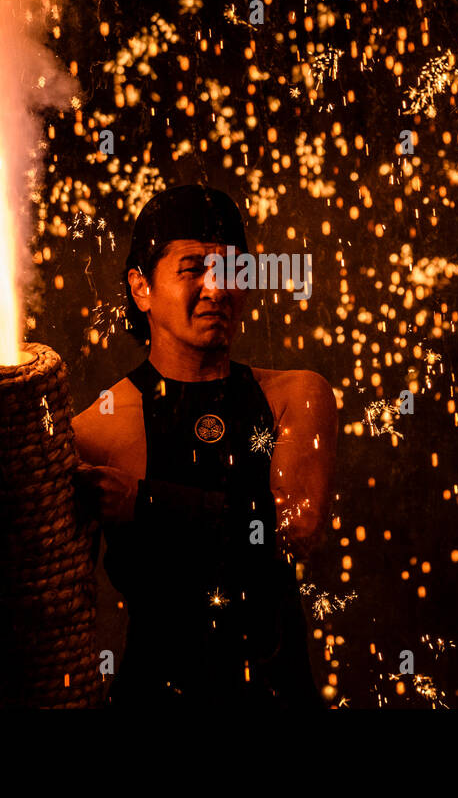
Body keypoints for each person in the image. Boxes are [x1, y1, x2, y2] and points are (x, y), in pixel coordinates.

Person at [72, 184, 336, 708]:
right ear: (141, 288)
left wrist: (143, 504)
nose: (218, 289)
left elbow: (295, 531)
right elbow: (52, 603)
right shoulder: (94, 430)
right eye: (193, 269)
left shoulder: (296, 395)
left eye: (234, 271)